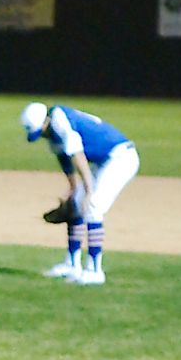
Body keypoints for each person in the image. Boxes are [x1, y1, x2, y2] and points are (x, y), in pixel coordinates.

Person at [21, 102, 138, 287]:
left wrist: (89, 191)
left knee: (93, 206)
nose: (41, 135)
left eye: (40, 130)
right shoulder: (52, 132)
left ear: (46, 121)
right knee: (75, 203)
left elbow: (77, 154)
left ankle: (94, 270)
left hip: (121, 158)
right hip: (104, 162)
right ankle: (72, 264)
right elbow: (65, 161)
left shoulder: (61, 121)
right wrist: (73, 190)